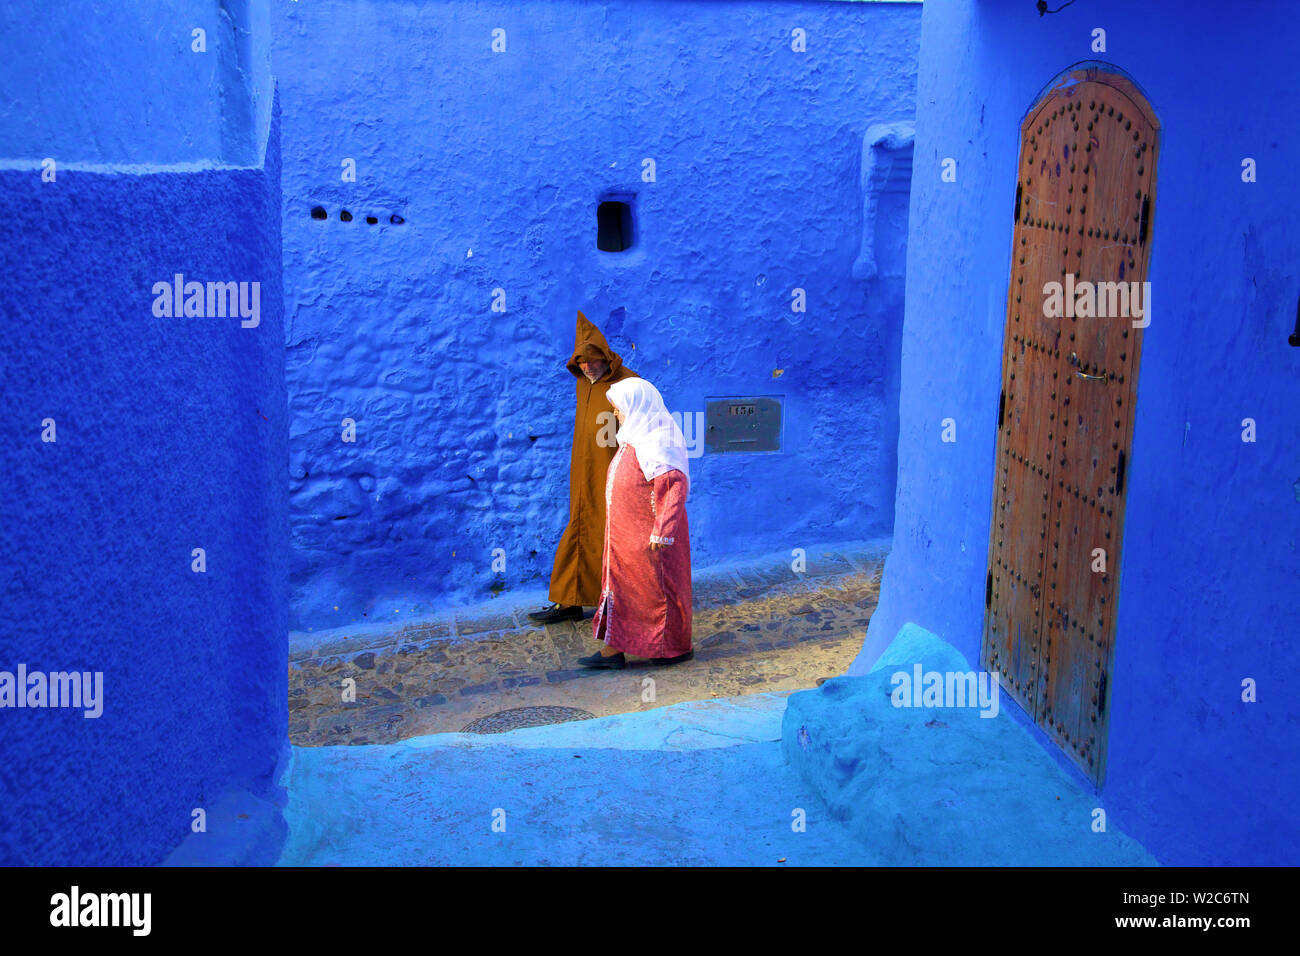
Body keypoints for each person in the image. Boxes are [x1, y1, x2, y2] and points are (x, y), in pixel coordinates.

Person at [528, 311, 637, 625]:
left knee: (613, 537)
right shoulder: (584, 384)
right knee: (579, 530)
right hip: (582, 475)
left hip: (615, 474)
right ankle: (570, 601)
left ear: (606, 356)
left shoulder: (629, 382)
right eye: (581, 362)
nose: (587, 366)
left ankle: (620, 602)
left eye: (592, 360)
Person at [578, 378, 693, 669]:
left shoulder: (658, 442)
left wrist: (663, 533)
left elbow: (672, 487)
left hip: (651, 541)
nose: (615, 414)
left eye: (618, 408)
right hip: (625, 539)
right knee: (623, 591)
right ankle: (613, 650)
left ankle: (669, 648)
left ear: (636, 406)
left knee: (657, 594)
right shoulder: (637, 437)